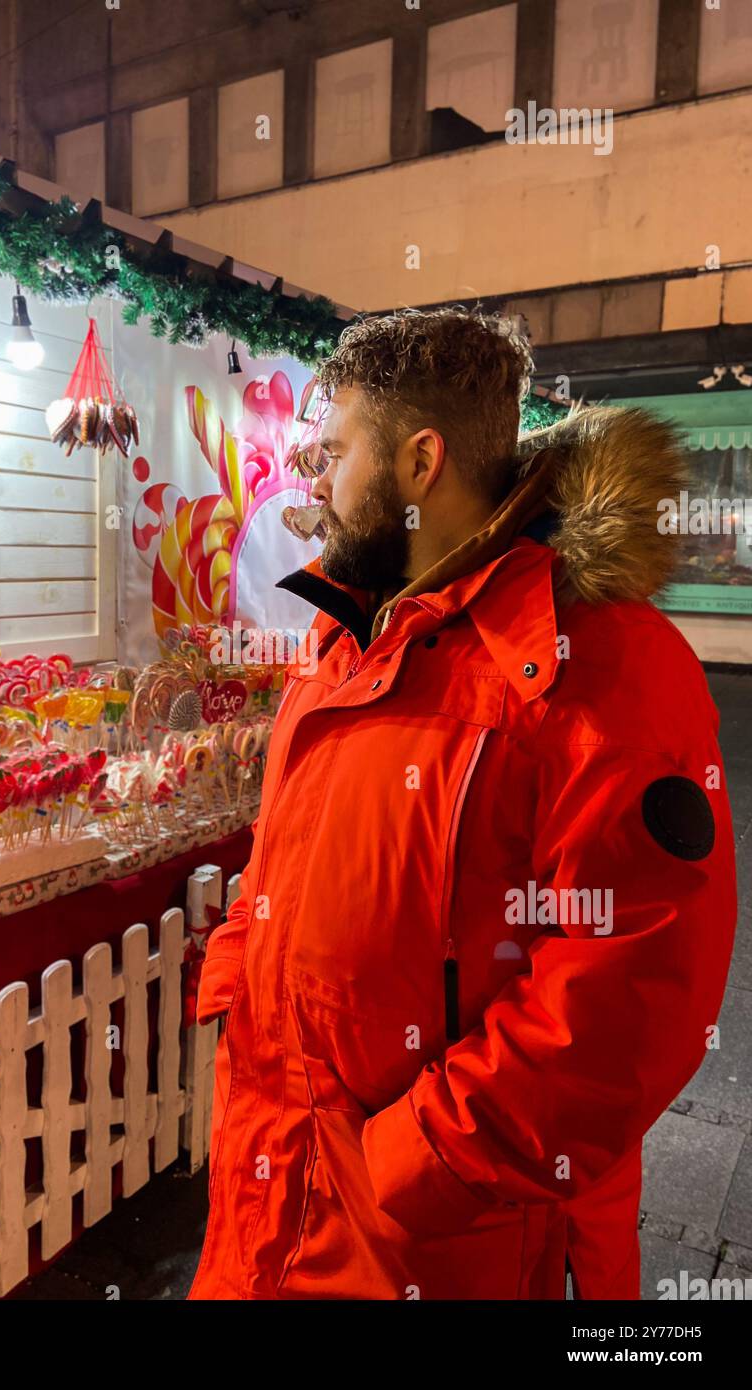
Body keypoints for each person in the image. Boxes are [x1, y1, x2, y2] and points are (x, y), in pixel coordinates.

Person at [187, 308, 737, 1301]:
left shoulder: (600, 663)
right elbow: (285, 863)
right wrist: (241, 989)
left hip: (446, 1239)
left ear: (420, 461)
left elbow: (627, 992)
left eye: (336, 448)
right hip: (277, 1195)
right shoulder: (351, 630)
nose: (310, 471)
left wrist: (411, 1164)